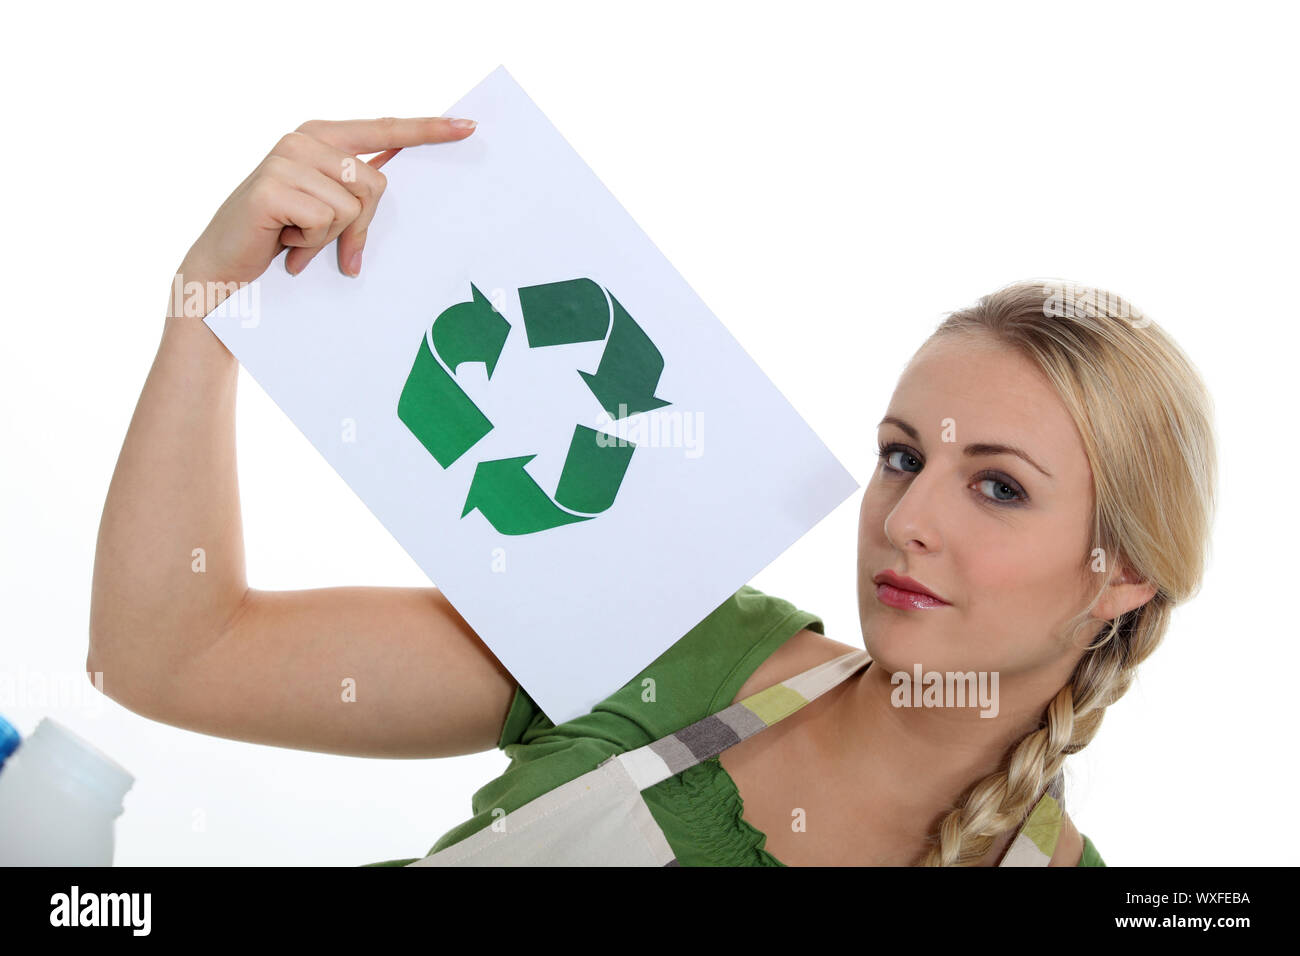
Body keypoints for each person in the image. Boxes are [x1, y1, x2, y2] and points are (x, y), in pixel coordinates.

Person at [88, 117, 1216, 867]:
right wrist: (208, 310)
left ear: (1121, 571)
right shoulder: (671, 629)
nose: (907, 518)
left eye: (1000, 488)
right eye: (902, 455)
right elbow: (168, 655)